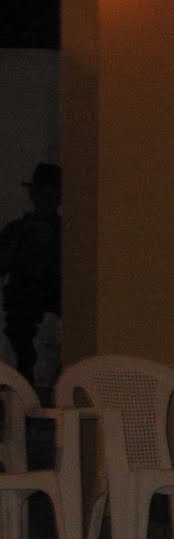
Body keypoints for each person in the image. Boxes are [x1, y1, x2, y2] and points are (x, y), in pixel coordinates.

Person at [0, 162, 62, 388]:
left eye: (50, 194)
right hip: (21, 323)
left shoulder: (71, 233)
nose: (44, 199)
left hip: (57, 321)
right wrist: (21, 238)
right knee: (21, 385)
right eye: (40, 193)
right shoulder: (17, 230)